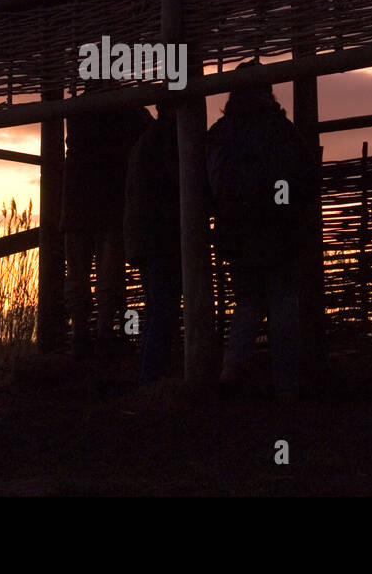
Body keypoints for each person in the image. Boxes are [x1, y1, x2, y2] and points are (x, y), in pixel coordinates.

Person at [207, 60, 317, 395]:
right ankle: (286, 381)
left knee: (248, 301)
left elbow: (214, 185)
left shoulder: (221, 134)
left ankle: (232, 370)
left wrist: (232, 213)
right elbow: (304, 179)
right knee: (282, 301)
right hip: (279, 231)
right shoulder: (282, 131)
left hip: (240, 233)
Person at [61, 82, 152, 359]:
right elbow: (147, 126)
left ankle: (81, 337)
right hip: (110, 205)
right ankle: (103, 335)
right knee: (108, 276)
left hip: (77, 206)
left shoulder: (76, 110)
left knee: (78, 277)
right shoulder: (126, 109)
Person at [123, 103, 181, 380]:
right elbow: (179, 181)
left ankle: (149, 378)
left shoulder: (146, 140)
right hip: (161, 238)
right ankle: (152, 379)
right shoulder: (167, 138)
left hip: (145, 238)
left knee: (157, 308)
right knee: (163, 309)